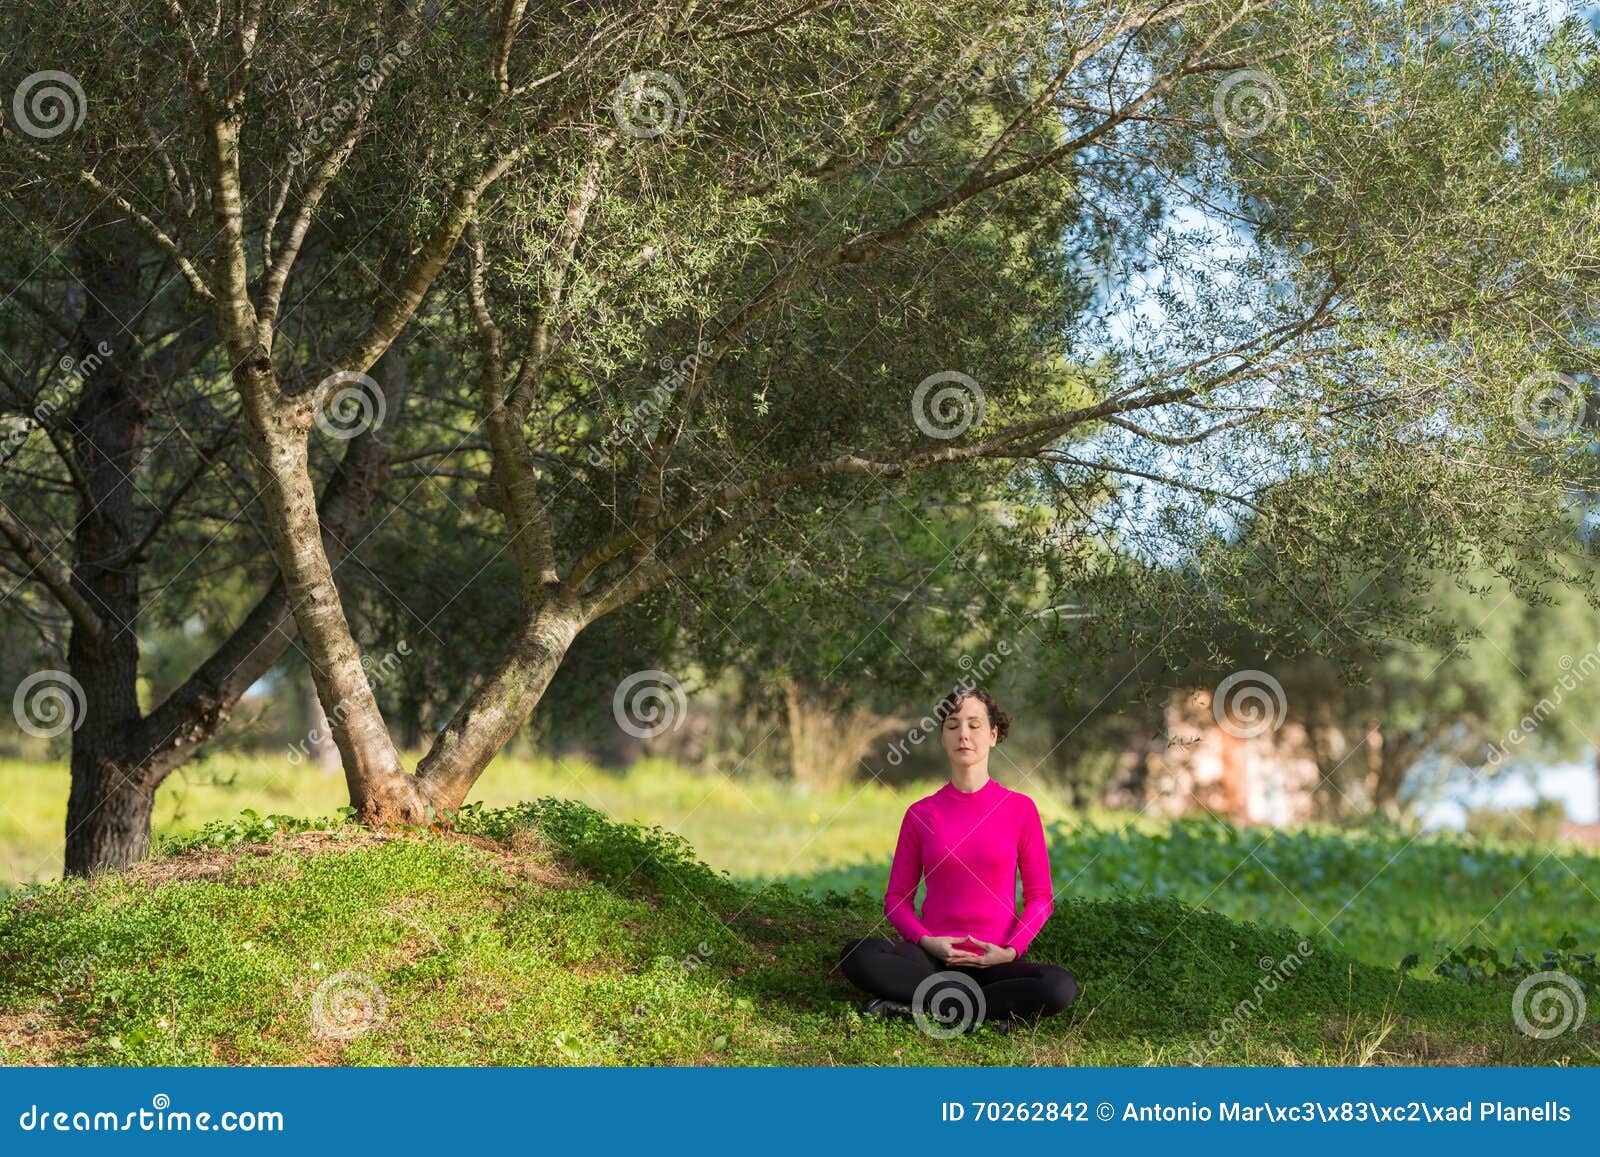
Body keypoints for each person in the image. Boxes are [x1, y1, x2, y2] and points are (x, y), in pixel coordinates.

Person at [838, 687, 1078, 1033]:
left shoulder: (1019, 810)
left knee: (1057, 986)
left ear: (993, 735)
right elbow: (896, 900)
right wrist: (926, 940)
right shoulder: (921, 813)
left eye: (974, 725)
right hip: (932, 960)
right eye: (952, 725)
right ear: (942, 737)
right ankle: (978, 1013)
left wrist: (1010, 951)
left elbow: (1041, 898)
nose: (963, 734)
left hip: (994, 962)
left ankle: (921, 1007)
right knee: (857, 954)